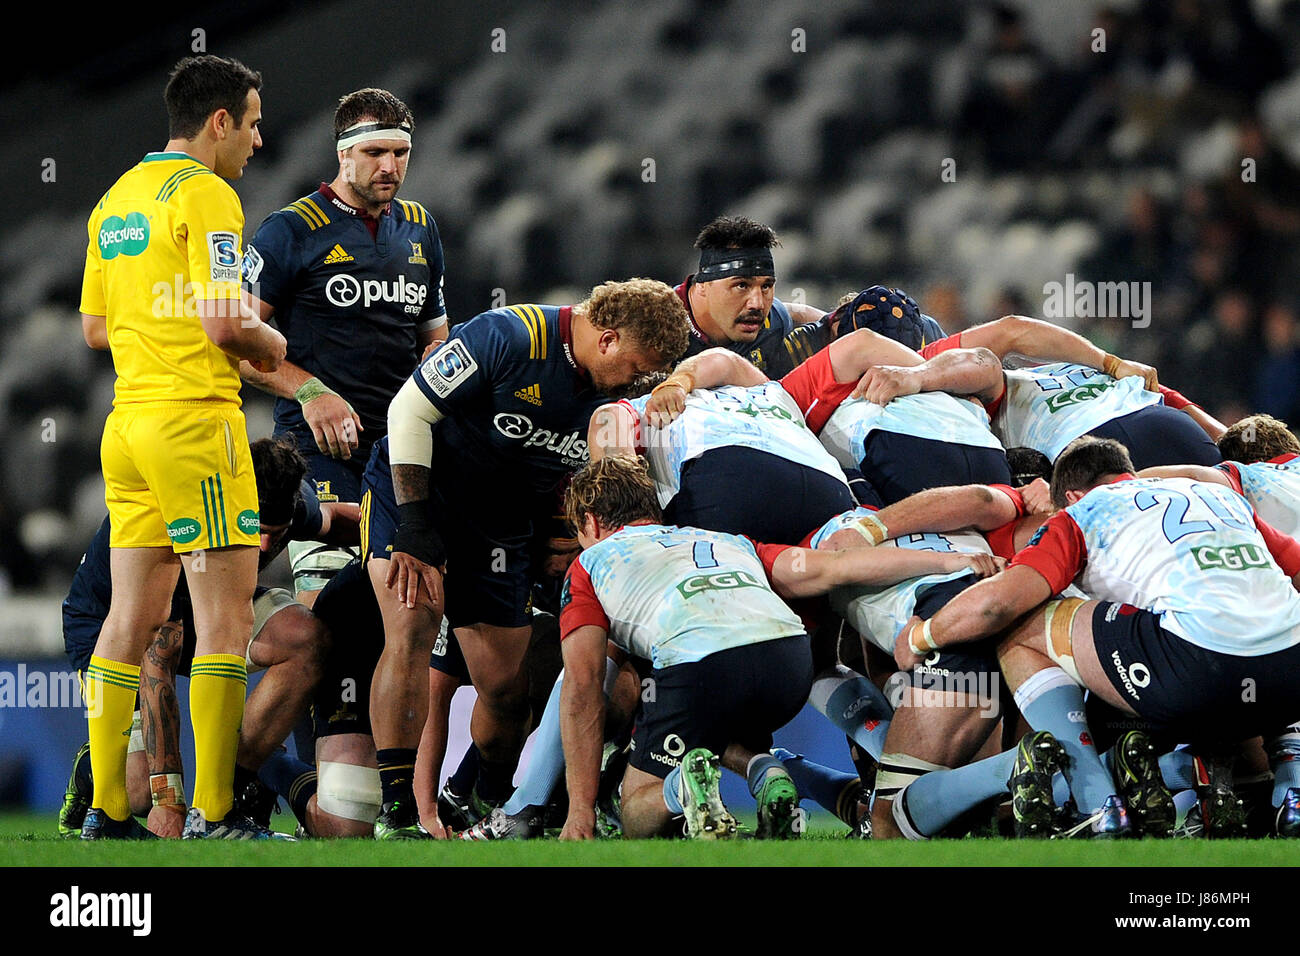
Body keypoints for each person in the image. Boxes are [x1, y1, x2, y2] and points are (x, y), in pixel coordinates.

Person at [362, 278, 690, 837]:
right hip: (419, 497)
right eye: (637, 368)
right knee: (412, 626)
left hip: (500, 526)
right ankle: (397, 814)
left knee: (503, 689)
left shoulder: (610, 395)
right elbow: (408, 411)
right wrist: (416, 522)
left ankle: (485, 803)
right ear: (607, 341)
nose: (638, 382)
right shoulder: (508, 335)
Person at [555, 456, 1002, 839]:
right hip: (789, 666)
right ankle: (768, 770)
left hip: (703, 667)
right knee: (711, 727)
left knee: (637, 811)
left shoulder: (591, 562)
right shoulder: (730, 542)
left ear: (591, 524)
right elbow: (837, 567)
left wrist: (579, 810)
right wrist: (951, 561)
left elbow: (582, 685)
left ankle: (682, 790)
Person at [78, 55, 286, 840]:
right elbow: (227, 325)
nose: (260, 141)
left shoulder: (115, 199)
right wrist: (272, 341)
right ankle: (217, 813)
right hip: (195, 424)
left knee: (128, 619)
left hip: (127, 428)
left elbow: (96, 330)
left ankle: (106, 809)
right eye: (255, 123)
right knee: (224, 623)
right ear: (220, 121)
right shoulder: (209, 195)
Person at [892, 437, 1300, 836]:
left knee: (1023, 623)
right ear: (1129, 473)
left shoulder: (1086, 511)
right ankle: (1291, 785)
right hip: (1288, 684)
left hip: (1196, 674)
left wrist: (921, 636)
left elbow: (995, 606)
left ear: (1069, 495)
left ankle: (1096, 800)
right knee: (1270, 612)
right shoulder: (1217, 495)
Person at [59, 438, 353, 838]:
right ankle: (91, 769)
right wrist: (169, 800)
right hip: (109, 625)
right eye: (258, 531)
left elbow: (332, 519)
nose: (266, 546)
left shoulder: (287, 499)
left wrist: (396, 532)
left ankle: (224, 798)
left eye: (277, 534)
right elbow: (157, 659)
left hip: (212, 606)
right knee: (139, 792)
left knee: (305, 637)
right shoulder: (192, 514)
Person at [241, 88, 448, 606]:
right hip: (317, 454)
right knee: (327, 620)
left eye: (400, 153)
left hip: (402, 452)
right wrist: (312, 392)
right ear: (343, 153)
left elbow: (434, 336)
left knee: (405, 613)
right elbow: (239, 348)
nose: (390, 167)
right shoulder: (288, 231)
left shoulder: (421, 227)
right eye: (375, 153)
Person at [673, 216, 823, 373]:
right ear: (702, 285)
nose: (758, 304)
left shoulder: (772, 323)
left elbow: (794, 312)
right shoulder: (658, 325)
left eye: (766, 286)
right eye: (742, 285)